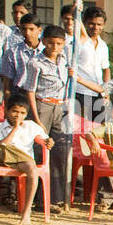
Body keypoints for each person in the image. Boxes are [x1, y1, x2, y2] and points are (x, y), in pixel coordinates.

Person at [0, 95, 55, 225]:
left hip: (23, 161)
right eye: (15, 112)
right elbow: (0, 147)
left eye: (22, 113)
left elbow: (45, 139)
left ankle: (26, 212)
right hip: (4, 158)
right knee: (10, 152)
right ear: (7, 111)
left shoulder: (30, 126)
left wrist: (49, 142)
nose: (18, 115)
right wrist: (15, 128)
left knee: (32, 169)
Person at [22, 26, 71, 211]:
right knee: (41, 150)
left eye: (58, 43)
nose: (54, 47)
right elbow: (30, 91)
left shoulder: (65, 61)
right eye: (50, 43)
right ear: (43, 41)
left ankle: (57, 197)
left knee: (60, 151)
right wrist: (37, 118)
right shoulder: (36, 62)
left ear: (63, 44)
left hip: (61, 106)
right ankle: (39, 199)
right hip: (42, 106)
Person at [70, 5, 111, 127]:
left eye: (99, 24)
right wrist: (76, 9)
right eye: (92, 24)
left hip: (97, 92)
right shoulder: (79, 42)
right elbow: (75, 17)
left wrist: (106, 89)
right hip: (80, 91)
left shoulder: (103, 45)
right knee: (79, 128)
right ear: (85, 23)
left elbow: (106, 68)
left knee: (98, 128)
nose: (96, 27)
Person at [0, 14, 42, 102]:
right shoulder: (12, 52)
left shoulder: (47, 51)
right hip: (20, 97)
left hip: (41, 97)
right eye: (24, 29)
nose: (27, 33)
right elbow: (7, 84)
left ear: (39, 30)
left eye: (31, 29)